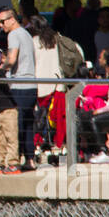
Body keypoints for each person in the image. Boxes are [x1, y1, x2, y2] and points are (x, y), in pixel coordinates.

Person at [0, 8, 39, 169]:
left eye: (3, 21)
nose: (1, 26)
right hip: (32, 85)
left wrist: (0, 70)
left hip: (19, 85)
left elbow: (12, 58)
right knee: (28, 124)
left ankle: (14, 161)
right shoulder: (26, 34)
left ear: (12, 19)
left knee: (16, 125)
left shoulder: (14, 35)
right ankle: (30, 159)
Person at [26, 15, 72, 151]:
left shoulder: (33, 42)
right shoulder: (57, 39)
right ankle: (60, 145)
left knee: (39, 116)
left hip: (39, 83)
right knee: (56, 116)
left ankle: (39, 143)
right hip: (58, 82)